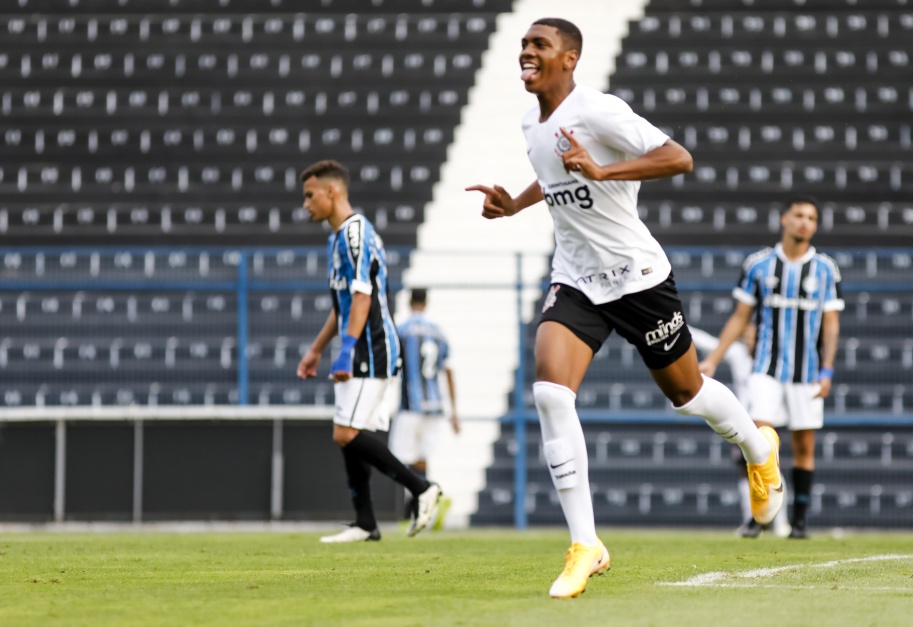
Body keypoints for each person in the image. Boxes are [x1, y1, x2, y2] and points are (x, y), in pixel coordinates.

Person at [465, 18, 784, 598]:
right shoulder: (530, 123)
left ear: (570, 57)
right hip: (577, 279)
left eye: (539, 45)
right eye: (524, 46)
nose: (527, 53)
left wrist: (604, 170)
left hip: (638, 278)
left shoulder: (599, 110)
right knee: (550, 393)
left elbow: (678, 157)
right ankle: (586, 544)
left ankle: (759, 450)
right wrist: (515, 204)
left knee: (687, 396)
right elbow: (554, 175)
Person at [296, 159, 442, 543]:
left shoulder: (355, 232)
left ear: (333, 191)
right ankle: (365, 522)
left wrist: (345, 351)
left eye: (310, 195)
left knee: (345, 433)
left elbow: (362, 295)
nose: (306, 204)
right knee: (348, 429)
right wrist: (315, 351)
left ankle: (422, 488)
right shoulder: (337, 238)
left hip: (370, 346)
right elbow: (342, 304)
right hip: (356, 342)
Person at [700, 195, 842, 540]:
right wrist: (713, 359)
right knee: (759, 441)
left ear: (815, 225)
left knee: (804, 447)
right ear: (784, 219)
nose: (804, 222)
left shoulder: (825, 269)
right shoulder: (759, 265)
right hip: (765, 370)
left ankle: (800, 523)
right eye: (798, 215)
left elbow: (831, 323)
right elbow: (740, 317)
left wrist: (827, 370)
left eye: (811, 217)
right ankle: (757, 517)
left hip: (806, 374)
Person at [691, 324, 790, 537]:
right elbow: (709, 343)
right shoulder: (737, 354)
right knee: (745, 472)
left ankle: (781, 522)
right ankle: (753, 520)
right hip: (745, 423)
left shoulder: (775, 356)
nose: (749, 341)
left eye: (752, 337)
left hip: (769, 421)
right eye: (746, 337)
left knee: (772, 469)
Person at [389, 288, 460, 529]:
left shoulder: (402, 330)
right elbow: (448, 371)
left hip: (410, 406)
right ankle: (425, 505)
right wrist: (454, 412)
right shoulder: (438, 332)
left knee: (401, 460)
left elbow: (392, 366)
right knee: (421, 459)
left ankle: (415, 506)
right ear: (426, 303)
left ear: (410, 303)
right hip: (434, 406)